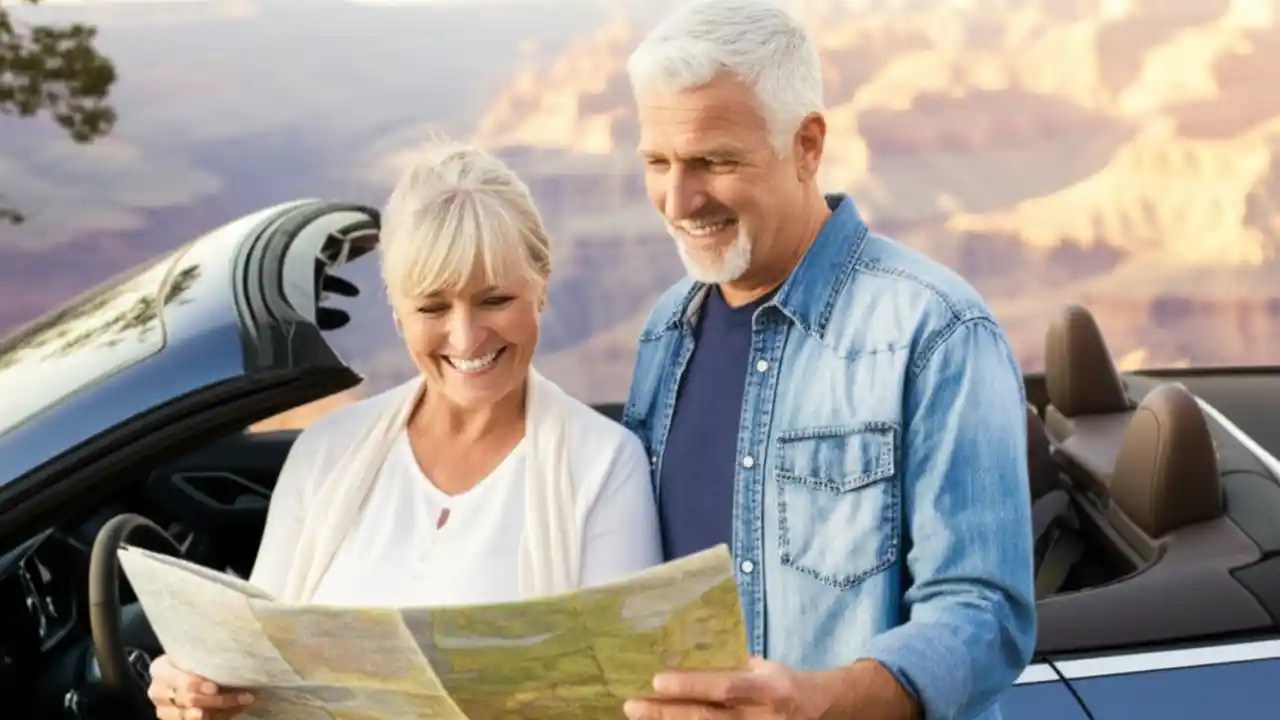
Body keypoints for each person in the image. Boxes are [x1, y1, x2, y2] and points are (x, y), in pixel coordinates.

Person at [143, 139, 663, 719]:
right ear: (396, 311)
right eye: (433, 309)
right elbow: (252, 678)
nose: (466, 339)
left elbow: (624, 701)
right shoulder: (326, 453)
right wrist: (194, 690)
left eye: (494, 299)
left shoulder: (603, 465)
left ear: (541, 284)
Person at [618, 1, 1036, 719]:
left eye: (713, 161)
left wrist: (819, 704)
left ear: (807, 145)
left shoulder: (934, 329)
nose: (679, 200)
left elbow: (984, 613)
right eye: (657, 162)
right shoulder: (667, 329)